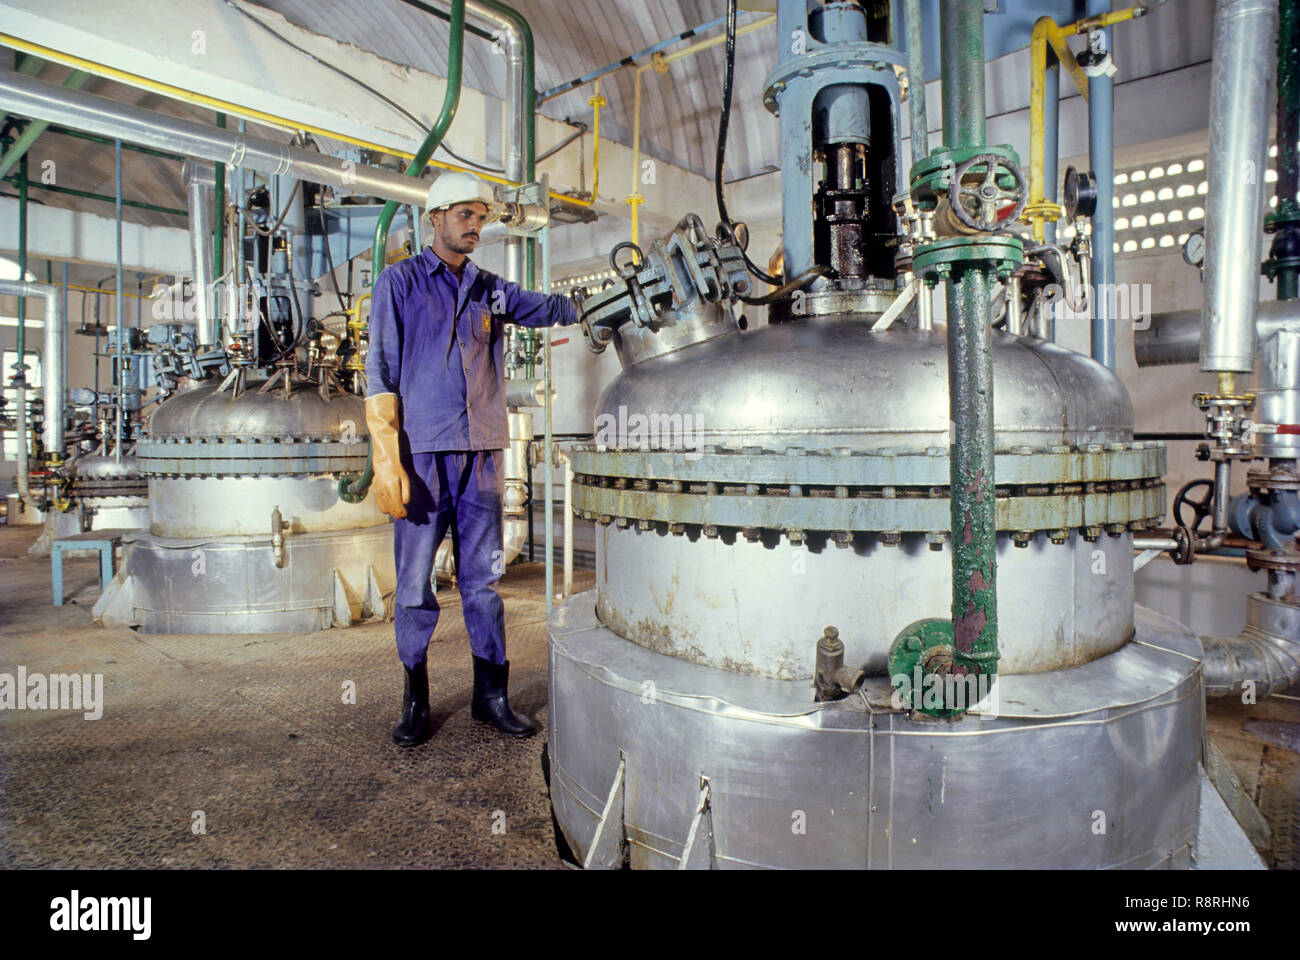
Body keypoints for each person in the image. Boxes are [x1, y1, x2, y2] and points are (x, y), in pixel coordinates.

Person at [364, 170, 578, 747]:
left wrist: (594, 307)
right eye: (465, 215)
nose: (475, 226)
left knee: (483, 582)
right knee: (413, 585)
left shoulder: (489, 288)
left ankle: (491, 697)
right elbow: (380, 369)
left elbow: (544, 306)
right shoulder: (399, 283)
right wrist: (387, 455)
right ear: (435, 218)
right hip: (423, 455)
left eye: (481, 218)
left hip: (482, 452)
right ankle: (415, 698)